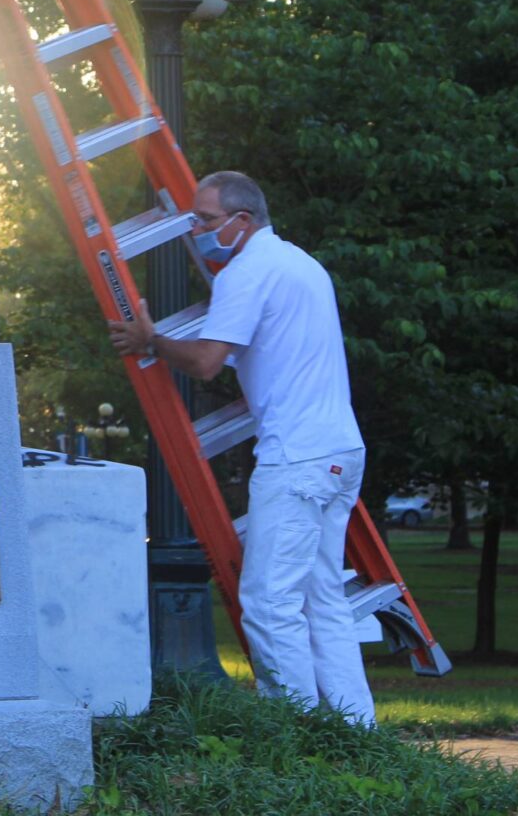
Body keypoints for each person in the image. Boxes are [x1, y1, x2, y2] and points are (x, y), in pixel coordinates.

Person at [108, 170, 375, 726]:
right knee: (322, 600)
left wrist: (151, 340)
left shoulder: (246, 273)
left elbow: (207, 363)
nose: (198, 230)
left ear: (242, 220)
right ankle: (356, 732)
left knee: (271, 604)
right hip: (339, 451)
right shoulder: (302, 264)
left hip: (297, 457)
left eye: (204, 220)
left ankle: (294, 733)